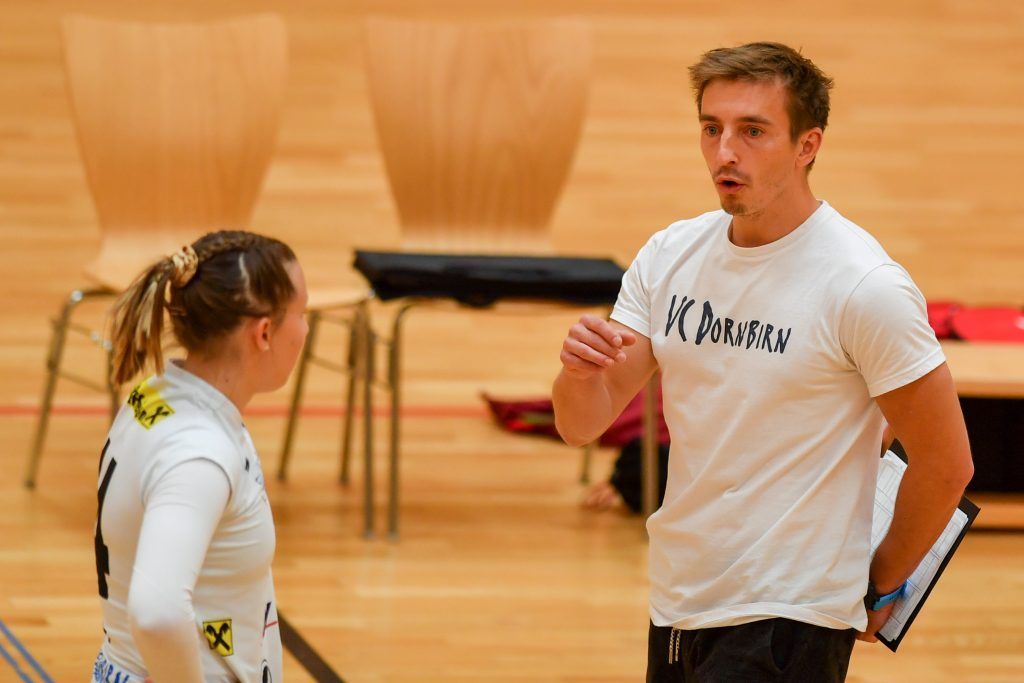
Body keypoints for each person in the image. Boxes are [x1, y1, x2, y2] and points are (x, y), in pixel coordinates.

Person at [552, 42, 973, 682]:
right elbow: (583, 423)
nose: (726, 151)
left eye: (753, 131)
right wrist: (576, 375)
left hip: (792, 611)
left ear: (808, 145)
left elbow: (945, 463)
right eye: (711, 128)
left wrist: (880, 586)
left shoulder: (864, 285)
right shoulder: (670, 256)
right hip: (680, 597)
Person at [91, 231, 308, 683]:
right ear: (264, 332)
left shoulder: (159, 396)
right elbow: (156, 613)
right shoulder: (199, 454)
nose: (305, 330)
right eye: (301, 315)